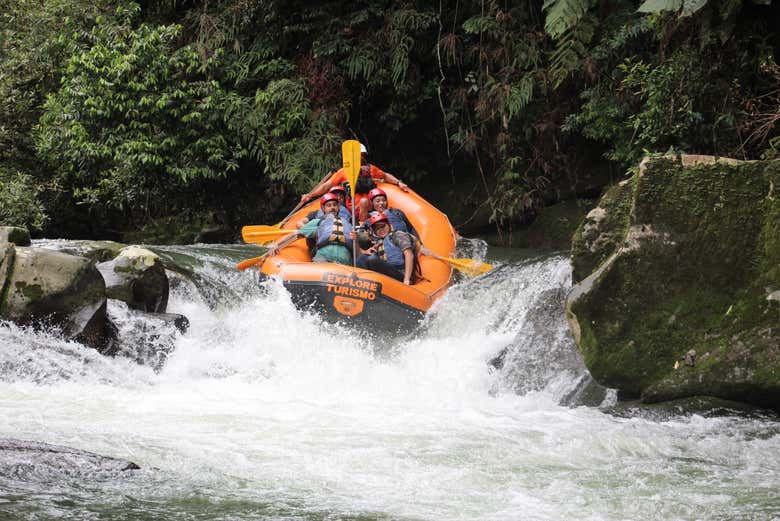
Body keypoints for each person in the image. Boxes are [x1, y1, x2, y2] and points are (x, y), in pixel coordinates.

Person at [299, 143, 409, 223]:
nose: (360, 157)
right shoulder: (343, 172)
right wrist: (310, 195)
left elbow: (385, 175)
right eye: (358, 154)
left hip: (370, 208)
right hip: (351, 209)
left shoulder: (370, 169)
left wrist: (399, 183)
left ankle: (365, 223)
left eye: (362, 155)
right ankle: (361, 223)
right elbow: (326, 186)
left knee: (365, 201)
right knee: (363, 201)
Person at [353, 212, 420, 285]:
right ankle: (360, 284)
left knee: (372, 259)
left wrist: (406, 279)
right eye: (377, 229)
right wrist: (357, 242)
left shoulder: (398, 235)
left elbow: (409, 255)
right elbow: (361, 258)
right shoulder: (379, 243)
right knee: (361, 258)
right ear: (374, 232)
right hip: (388, 272)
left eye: (383, 226)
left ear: (389, 225)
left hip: (401, 273)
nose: (381, 230)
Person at [296, 193, 354, 265]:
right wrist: (278, 244)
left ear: (338, 207)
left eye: (335, 205)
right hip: (323, 256)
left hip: (344, 258)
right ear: (323, 208)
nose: (332, 207)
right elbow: (294, 235)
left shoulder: (347, 224)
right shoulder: (318, 222)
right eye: (329, 205)